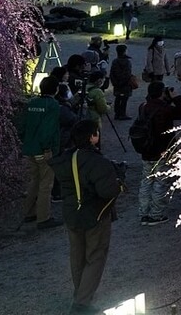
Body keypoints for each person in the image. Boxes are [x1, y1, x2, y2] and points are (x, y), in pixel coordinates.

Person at [50, 119, 125, 315]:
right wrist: (119, 180)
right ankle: (82, 303)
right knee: (95, 256)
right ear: (92, 136)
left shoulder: (65, 158)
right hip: (95, 215)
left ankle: (80, 293)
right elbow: (107, 191)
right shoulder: (97, 162)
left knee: (77, 256)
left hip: (72, 213)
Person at [136, 81, 181, 225]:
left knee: (146, 181)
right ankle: (156, 215)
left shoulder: (143, 106)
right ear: (161, 93)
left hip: (146, 149)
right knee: (160, 183)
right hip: (163, 150)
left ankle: (144, 213)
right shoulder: (165, 109)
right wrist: (175, 97)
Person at [19, 76, 63, 229]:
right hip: (43, 150)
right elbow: (48, 129)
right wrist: (47, 148)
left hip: (29, 148)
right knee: (46, 184)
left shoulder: (31, 103)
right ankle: (43, 217)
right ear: (56, 90)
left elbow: (22, 125)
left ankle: (29, 212)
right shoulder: (52, 105)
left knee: (34, 181)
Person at [108, 44, 134, 121]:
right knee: (124, 99)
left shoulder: (115, 61)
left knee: (118, 98)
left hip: (117, 84)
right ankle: (122, 114)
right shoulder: (127, 62)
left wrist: (115, 82)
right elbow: (127, 74)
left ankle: (117, 113)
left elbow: (112, 73)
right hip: (125, 84)